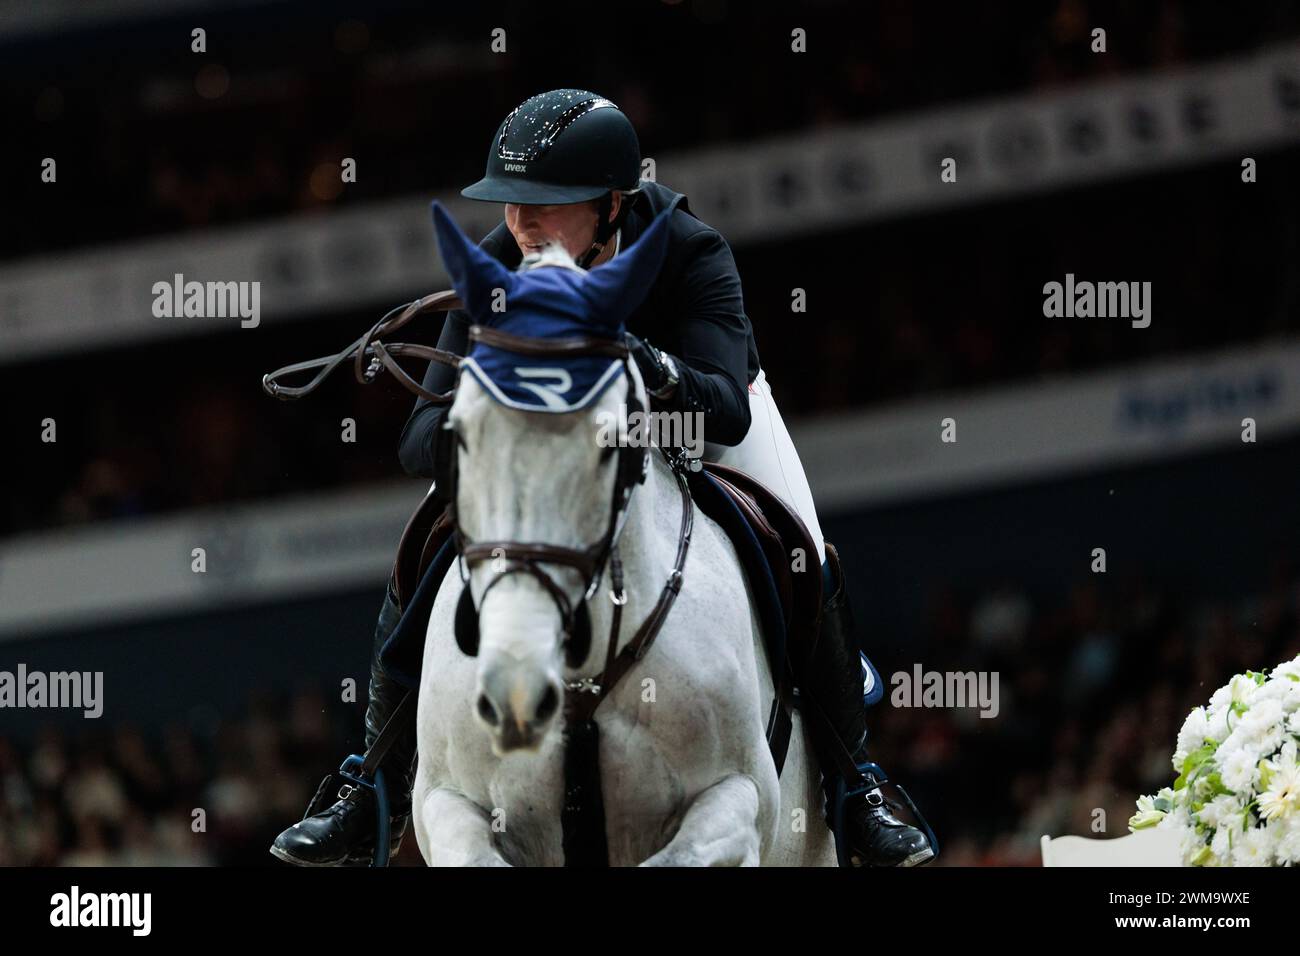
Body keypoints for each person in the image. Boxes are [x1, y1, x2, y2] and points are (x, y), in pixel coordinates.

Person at [271, 89, 933, 867]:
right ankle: (367, 789)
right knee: (426, 538)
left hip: (696, 430)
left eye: (546, 207)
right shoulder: (495, 272)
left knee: (799, 544)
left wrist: (643, 364)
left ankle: (858, 790)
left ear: (614, 204)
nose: (522, 226)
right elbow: (420, 440)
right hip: (555, 457)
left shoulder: (689, 248)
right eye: (512, 204)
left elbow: (724, 408)